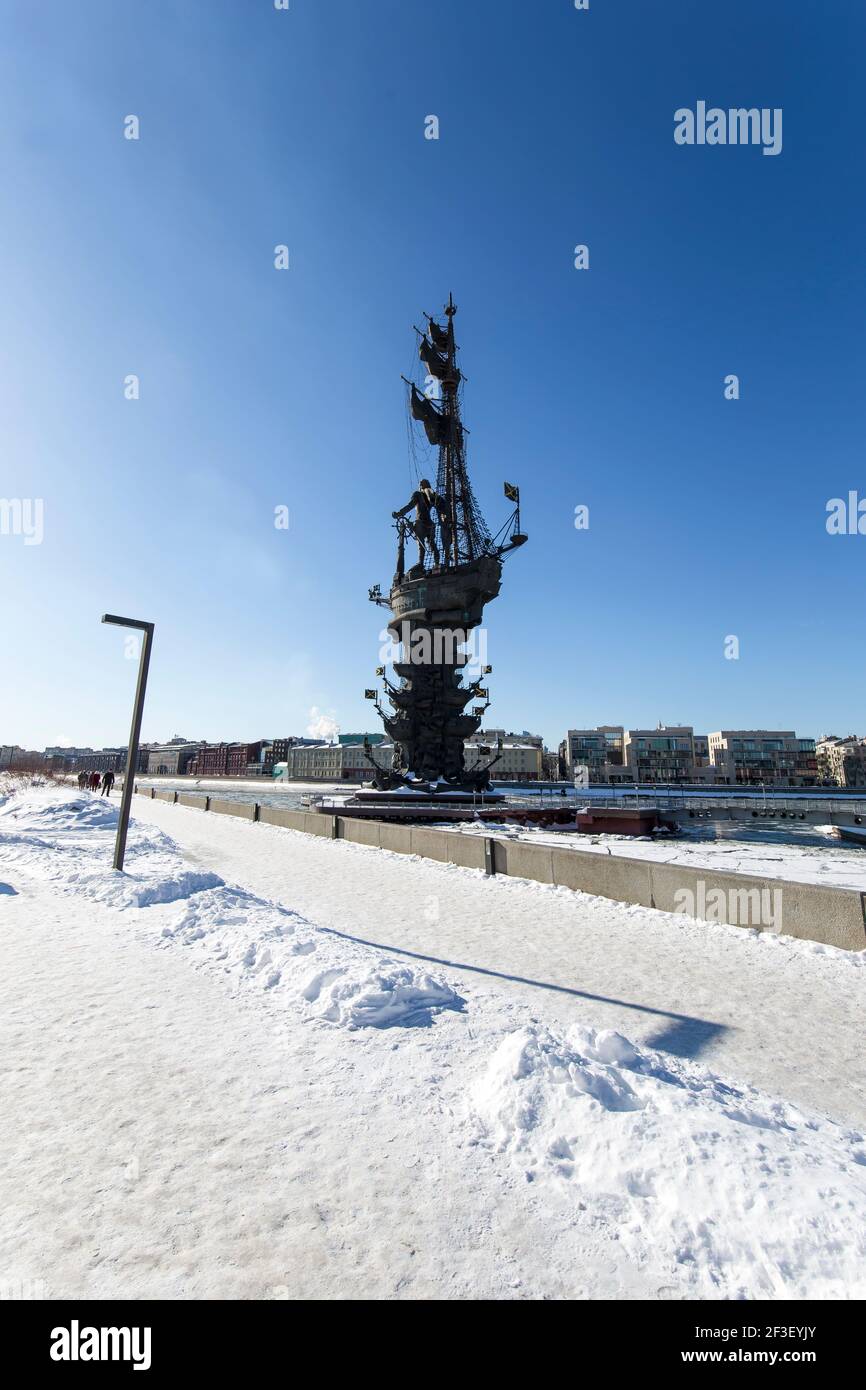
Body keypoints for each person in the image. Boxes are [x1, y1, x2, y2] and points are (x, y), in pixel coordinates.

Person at [392, 478, 449, 568]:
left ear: (421, 486)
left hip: (420, 522)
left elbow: (410, 506)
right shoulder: (432, 495)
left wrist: (399, 514)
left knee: (421, 544)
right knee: (432, 544)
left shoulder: (418, 494)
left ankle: (421, 563)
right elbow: (442, 505)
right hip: (430, 524)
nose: (420, 485)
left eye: (421, 484)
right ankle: (437, 563)